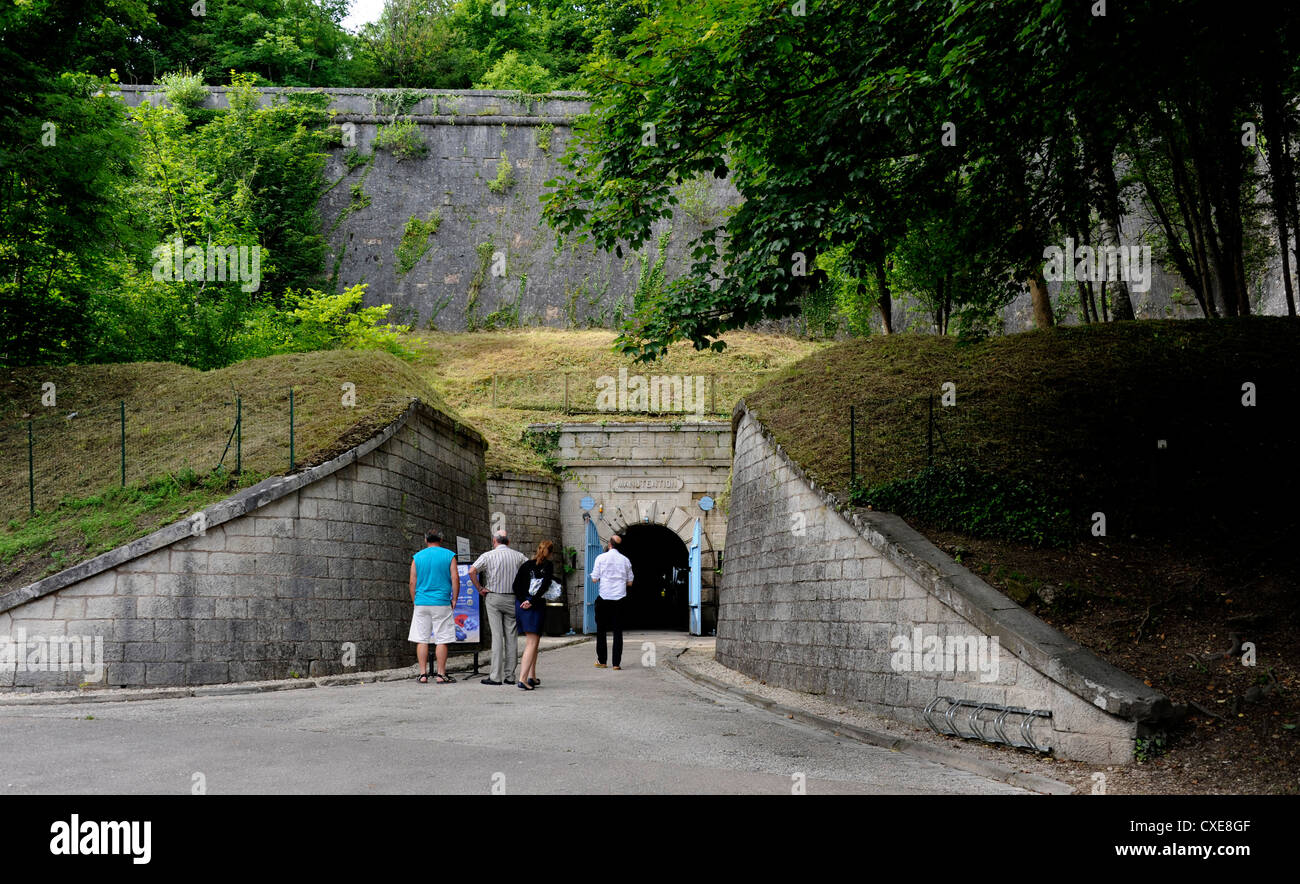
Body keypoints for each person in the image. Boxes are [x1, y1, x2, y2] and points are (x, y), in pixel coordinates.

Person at [470, 530, 527, 685]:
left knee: (497, 636)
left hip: (493, 597)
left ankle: (495, 676)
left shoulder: (488, 555)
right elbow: (530, 571)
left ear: (494, 541)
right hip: (512, 598)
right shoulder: (518, 556)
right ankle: (510, 676)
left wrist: (480, 588)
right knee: (511, 636)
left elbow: (472, 570)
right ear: (507, 542)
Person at [409, 529, 459, 684]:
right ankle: (441, 674)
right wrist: (455, 599)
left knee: (421, 639)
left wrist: (414, 600)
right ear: (441, 539)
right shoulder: (449, 555)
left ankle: (423, 674)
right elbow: (455, 578)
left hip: (422, 602)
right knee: (442, 639)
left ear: (425, 540)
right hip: (442, 602)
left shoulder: (417, 557)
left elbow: (412, 582)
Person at [512, 540, 555, 691]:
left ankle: (532, 676)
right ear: (549, 553)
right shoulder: (548, 566)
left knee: (534, 642)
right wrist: (532, 601)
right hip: (535, 606)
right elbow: (545, 586)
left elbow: (515, 586)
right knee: (532, 642)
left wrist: (524, 601)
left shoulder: (526, 565)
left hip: (521, 605)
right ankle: (523, 679)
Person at [589, 533, 633, 670]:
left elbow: (594, 579)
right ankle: (616, 664)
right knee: (617, 631)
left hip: (604, 597)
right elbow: (630, 582)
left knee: (601, 629)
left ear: (609, 544)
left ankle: (602, 661)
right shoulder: (625, 560)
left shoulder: (600, 558)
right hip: (619, 598)